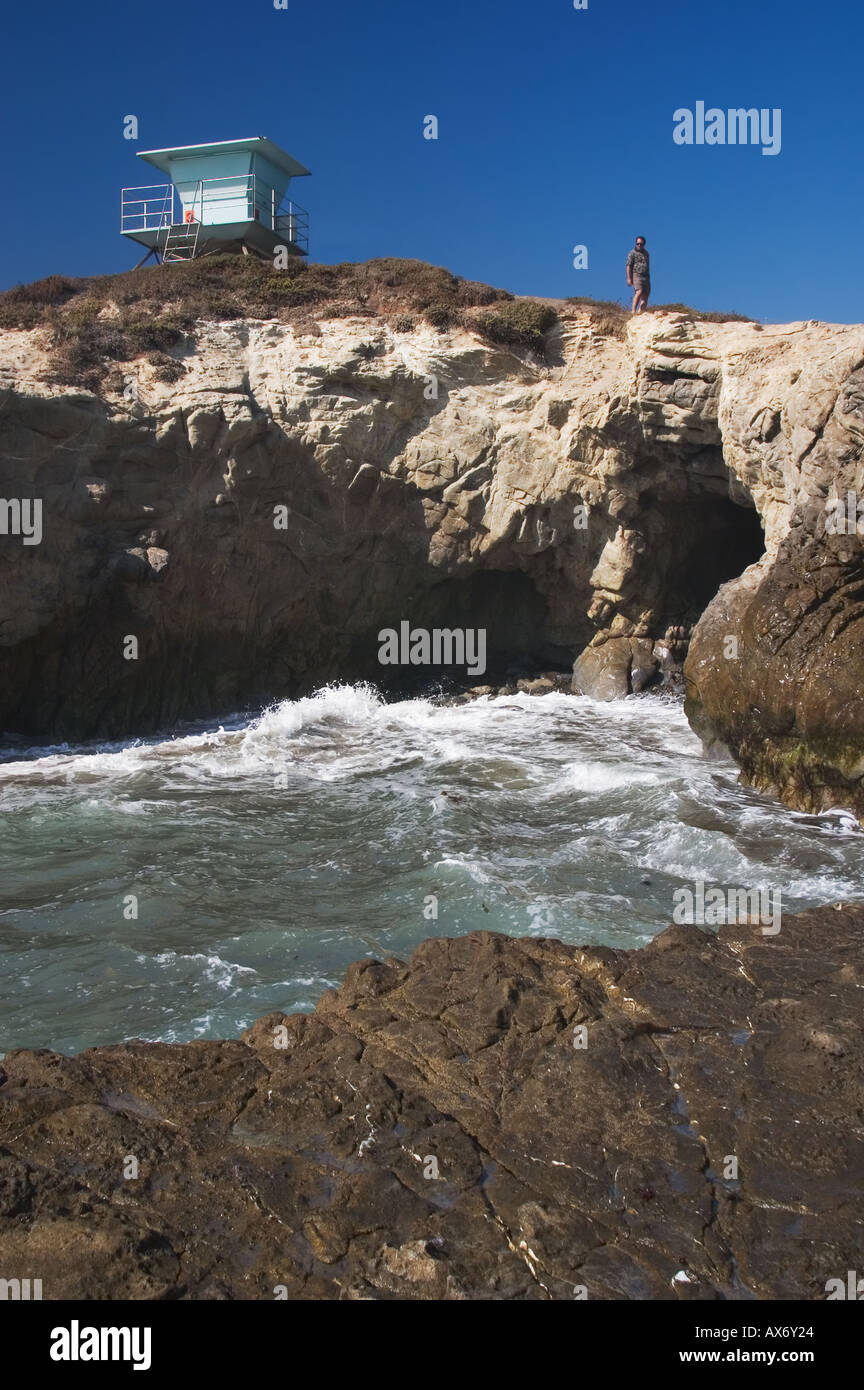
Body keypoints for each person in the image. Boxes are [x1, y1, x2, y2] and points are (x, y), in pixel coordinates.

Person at [626, 236, 651, 315]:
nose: (639, 245)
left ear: (644, 244)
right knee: (639, 292)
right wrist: (629, 278)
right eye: (638, 244)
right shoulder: (632, 253)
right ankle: (633, 311)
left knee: (645, 295)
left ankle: (641, 312)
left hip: (646, 276)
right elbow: (628, 265)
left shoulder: (646, 253)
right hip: (637, 274)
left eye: (641, 244)